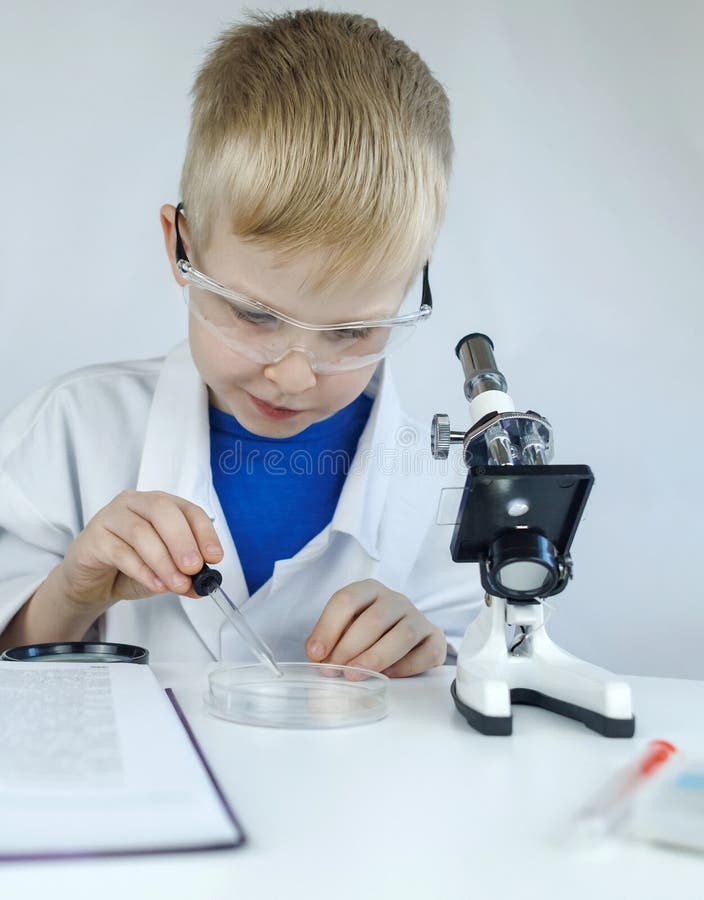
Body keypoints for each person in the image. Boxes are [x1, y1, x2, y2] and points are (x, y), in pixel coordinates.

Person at [0, 10, 480, 669]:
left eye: (348, 332)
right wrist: (71, 592)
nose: (293, 376)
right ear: (180, 245)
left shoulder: (446, 488)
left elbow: (491, 694)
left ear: (404, 296)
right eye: (254, 316)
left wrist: (433, 663)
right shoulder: (66, 435)